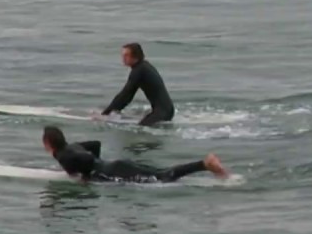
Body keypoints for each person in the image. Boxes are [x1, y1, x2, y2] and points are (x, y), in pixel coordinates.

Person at [43, 125, 228, 183]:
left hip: (114, 172)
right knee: (161, 173)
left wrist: (86, 176)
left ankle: (205, 164)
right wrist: (94, 165)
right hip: (115, 164)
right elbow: (95, 145)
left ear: (48, 143)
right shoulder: (72, 146)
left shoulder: (62, 156)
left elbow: (87, 158)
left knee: (163, 177)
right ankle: (204, 164)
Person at [101, 43, 175, 126]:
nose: (123, 58)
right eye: (123, 55)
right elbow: (127, 96)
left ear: (135, 56)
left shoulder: (139, 71)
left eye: (126, 55)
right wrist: (110, 112)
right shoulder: (143, 66)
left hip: (162, 113)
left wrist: (105, 114)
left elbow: (125, 95)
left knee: (140, 128)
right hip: (166, 110)